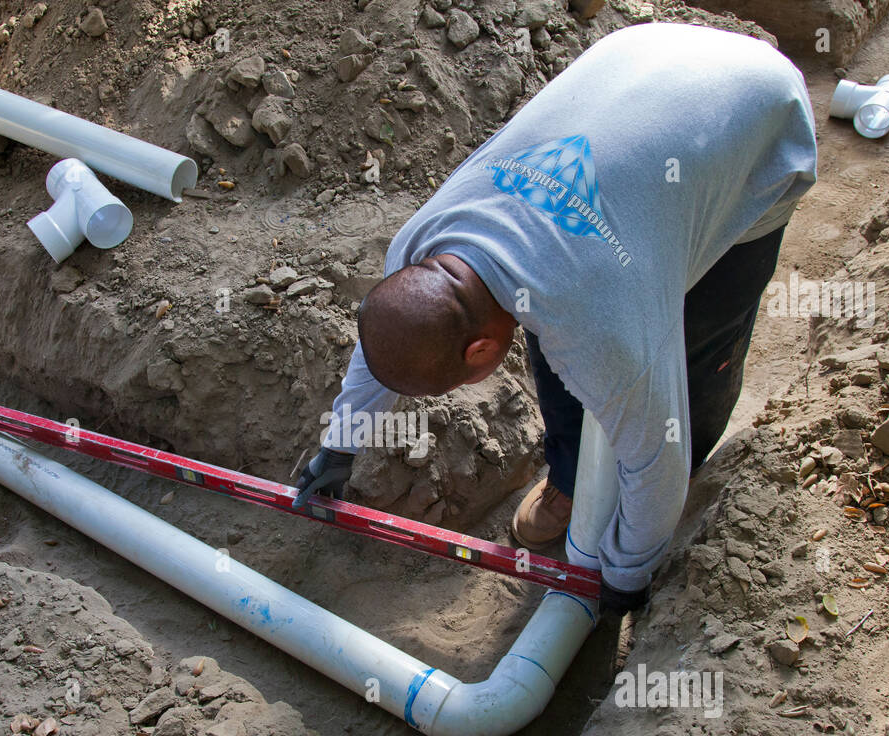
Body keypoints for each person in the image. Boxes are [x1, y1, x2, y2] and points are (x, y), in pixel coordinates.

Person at [292, 22, 817, 615]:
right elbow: (384, 349)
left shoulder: (601, 323)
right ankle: (574, 483)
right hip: (643, 62)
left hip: (756, 120)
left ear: (480, 355)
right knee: (566, 340)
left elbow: (656, 456)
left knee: (694, 354)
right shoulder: (421, 249)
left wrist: (625, 576)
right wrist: (339, 447)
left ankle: (655, 510)